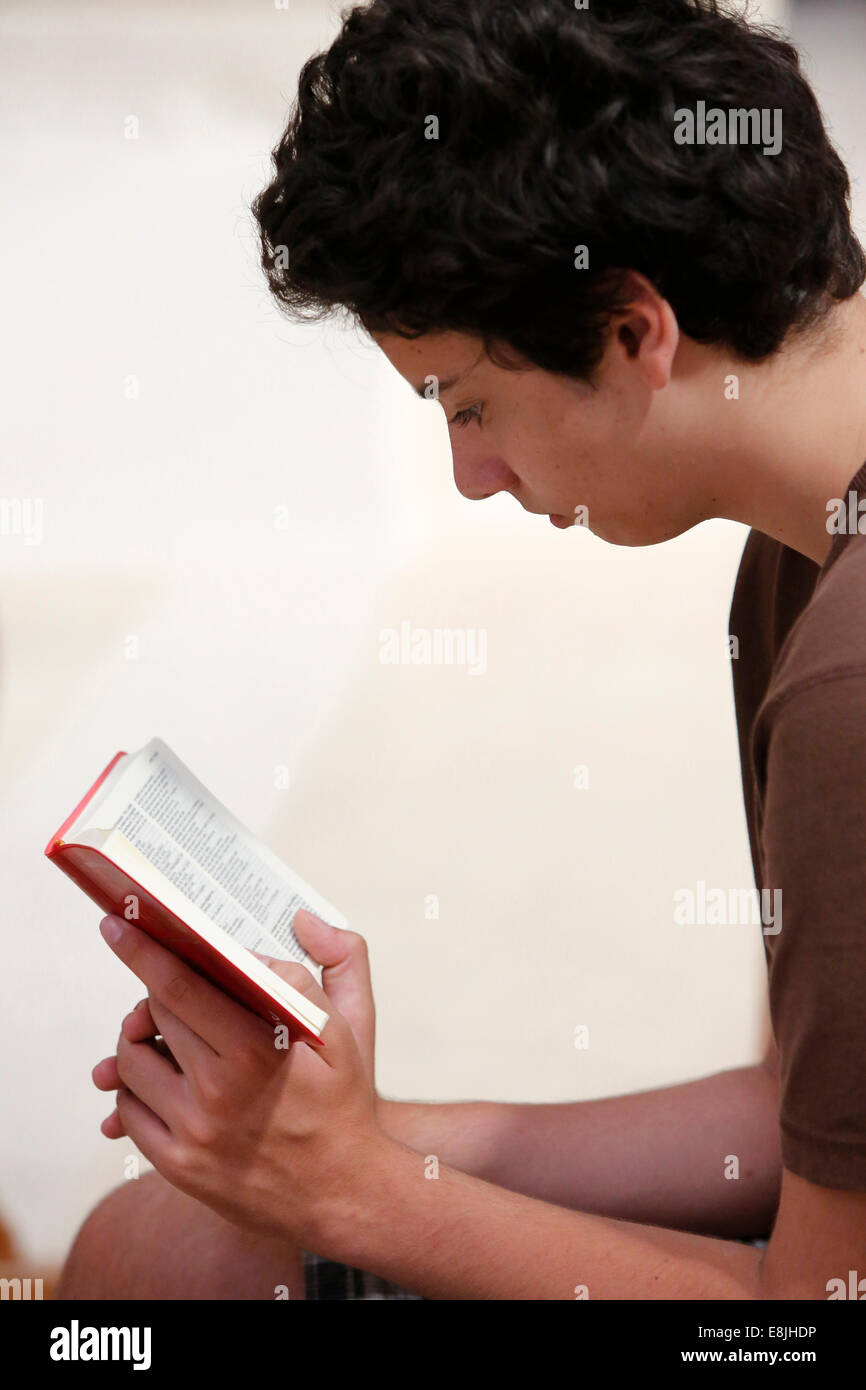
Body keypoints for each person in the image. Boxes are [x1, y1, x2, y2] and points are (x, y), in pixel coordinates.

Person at [59, 0, 866, 1300]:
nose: (473, 472)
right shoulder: (801, 555)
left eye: (469, 403)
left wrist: (354, 1191)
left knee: (154, 1266)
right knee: (171, 1240)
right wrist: (374, 1139)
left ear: (631, 330)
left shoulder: (846, 675)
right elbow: (807, 1117)